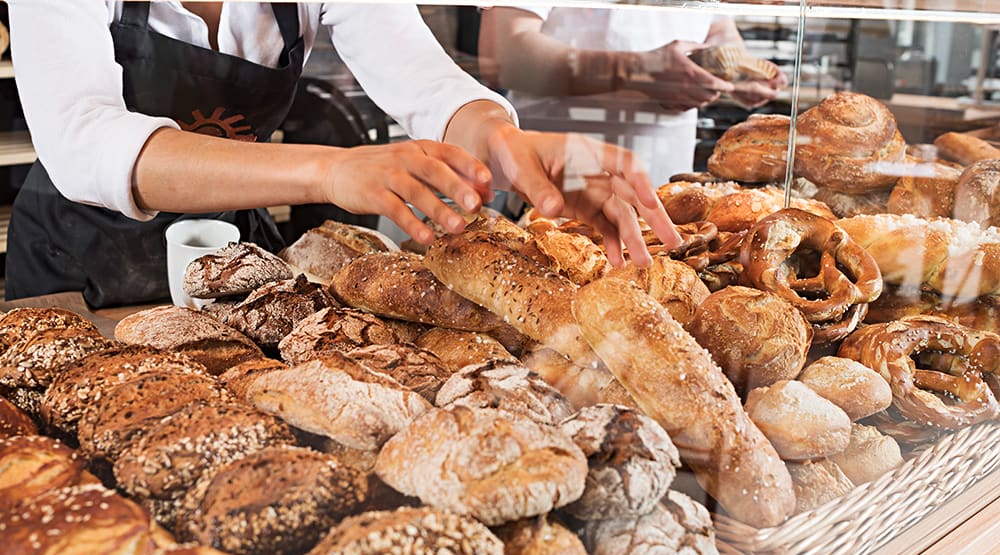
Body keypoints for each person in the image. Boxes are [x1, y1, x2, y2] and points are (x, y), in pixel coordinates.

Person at [5, 2, 680, 307]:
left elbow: (422, 77)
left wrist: (505, 144)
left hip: (230, 263)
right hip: (76, 268)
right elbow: (82, 138)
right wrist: (328, 169)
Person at [478, 7, 787, 187]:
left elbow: (717, 25)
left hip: (664, 181)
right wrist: (639, 70)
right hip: (553, 179)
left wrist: (734, 71)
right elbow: (504, 54)